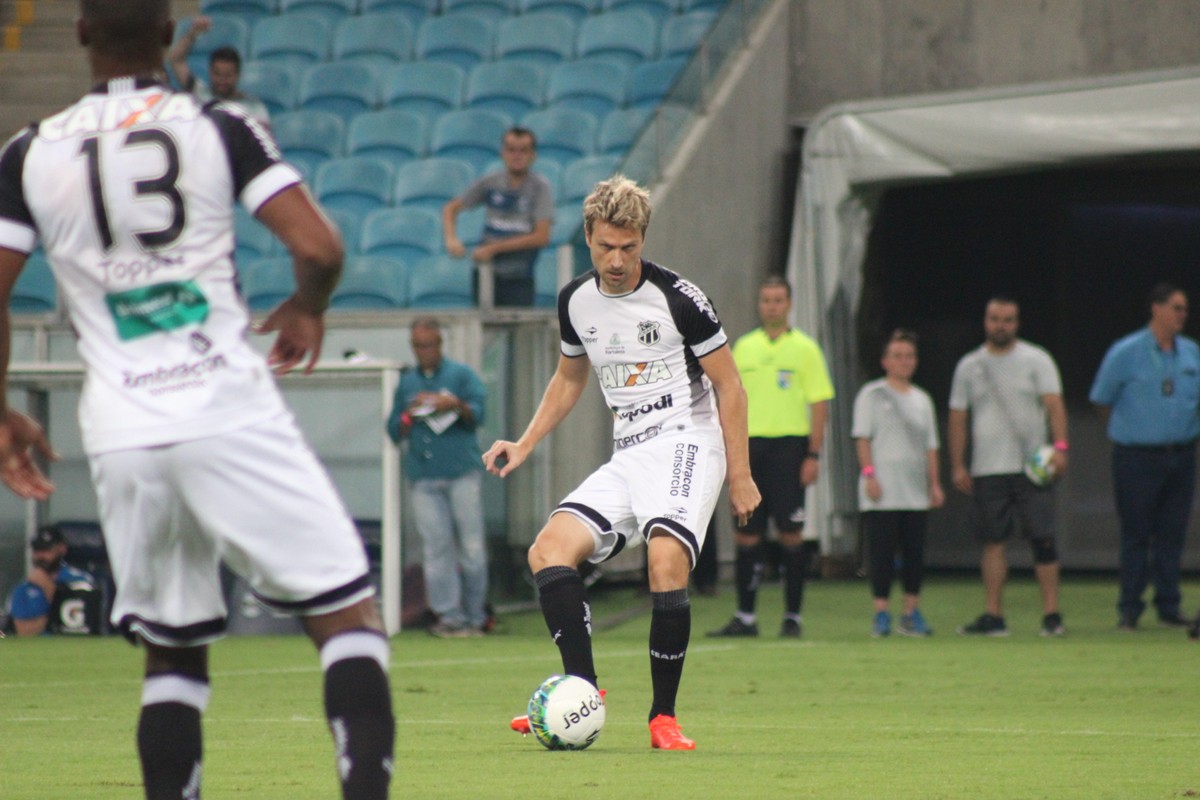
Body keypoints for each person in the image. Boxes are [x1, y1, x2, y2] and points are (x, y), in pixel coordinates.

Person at [0, 3, 393, 797]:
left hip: (120, 429)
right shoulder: (218, 128)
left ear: (80, 33)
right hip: (224, 406)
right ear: (167, 33)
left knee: (172, 656)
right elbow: (319, 247)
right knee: (349, 620)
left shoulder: (27, 153)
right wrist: (306, 304)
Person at [483, 175, 760, 750]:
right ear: (588, 236)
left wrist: (741, 474)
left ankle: (663, 719)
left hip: (689, 440)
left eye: (628, 248)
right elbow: (569, 376)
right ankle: (579, 695)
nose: (616, 260)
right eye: (606, 246)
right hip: (630, 451)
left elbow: (730, 387)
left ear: (642, 240)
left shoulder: (681, 299)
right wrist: (525, 442)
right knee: (548, 550)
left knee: (665, 561)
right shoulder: (575, 301)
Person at [708, 275, 833, 639]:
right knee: (747, 535)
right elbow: (726, 398)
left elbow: (820, 403)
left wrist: (813, 454)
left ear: (789, 304)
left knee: (791, 534)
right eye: (766, 300)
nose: (772, 306)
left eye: (778, 300)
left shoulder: (806, 350)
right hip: (750, 450)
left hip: (790, 450)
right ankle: (745, 617)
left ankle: (792, 616)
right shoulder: (743, 347)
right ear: (759, 304)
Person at [948, 296, 1068, 638]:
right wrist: (958, 464)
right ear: (985, 320)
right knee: (992, 541)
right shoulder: (969, 365)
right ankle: (994, 615)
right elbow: (958, 417)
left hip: (1033, 467)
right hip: (988, 466)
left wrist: (1060, 448)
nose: (1001, 325)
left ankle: (1051, 615)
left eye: (1008, 319)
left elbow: (1054, 405)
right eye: (995, 319)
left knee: (1043, 539)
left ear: (1017, 322)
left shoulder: (1037, 359)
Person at [1089, 283, 1198, 631]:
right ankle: (1130, 609)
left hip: (1181, 455)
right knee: (1136, 534)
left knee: (1172, 534)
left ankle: (1168, 606)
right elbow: (1101, 399)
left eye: (1185, 309)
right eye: (1177, 308)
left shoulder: (1192, 353)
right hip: (1136, 457)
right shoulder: (1126, 351)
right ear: (1157, 308)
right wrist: (1131, 429)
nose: (1183, 314)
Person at [385, 317, 489, 638]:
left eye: (429, 344)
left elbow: (480, 414)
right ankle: (449, 617)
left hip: (461, 473)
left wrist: (454, 405)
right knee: (436, 550)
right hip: (424, 477)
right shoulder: (407, 383)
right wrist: (408, 415)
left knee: (471, 548)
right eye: (418, 346)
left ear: (440, 344)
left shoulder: (461, 375)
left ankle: (476, 615)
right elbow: (392, 430)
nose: (424, 351)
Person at [851, 329, 944, 638]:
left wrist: (934, 484)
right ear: (885, 361)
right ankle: (881, 613)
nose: (904, 362)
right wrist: (869, 474)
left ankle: (910, 612)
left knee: (914, 555)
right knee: (881, 555)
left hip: (915, 493)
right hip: (882, 493)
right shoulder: (872, 394)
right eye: (898, 356)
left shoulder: (922, 400)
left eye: (909, 356)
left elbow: (931, 446)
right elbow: (862, 438)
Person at [442, 127, 554, 307]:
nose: (517, 156)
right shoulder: (490, 182)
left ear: (533, 155)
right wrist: (451, 239)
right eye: (511, 150)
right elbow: (451, 208)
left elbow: (542, 236)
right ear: (503, 153)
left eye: (523, 150)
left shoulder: (540, 187)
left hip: (519, 276)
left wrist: (493, 249)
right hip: (486, 273)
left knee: (520, 330)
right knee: (485, 329)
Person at [165, 15, 270, 126]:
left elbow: (265, 140)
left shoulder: (254, 107)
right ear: (210, 72)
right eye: (217, 74)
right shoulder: (200, 94)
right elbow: (176, 60)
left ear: (238, 75)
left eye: (228, 75)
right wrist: (192, 34)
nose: (222, 80)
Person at [6, 524, 98, 637]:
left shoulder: (81, 581)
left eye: (46, 550)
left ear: (62, 549)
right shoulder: (23, 589)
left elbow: (85, 623)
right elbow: (23, 631)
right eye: (37, 550)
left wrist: (48, 587)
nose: (40, 556)